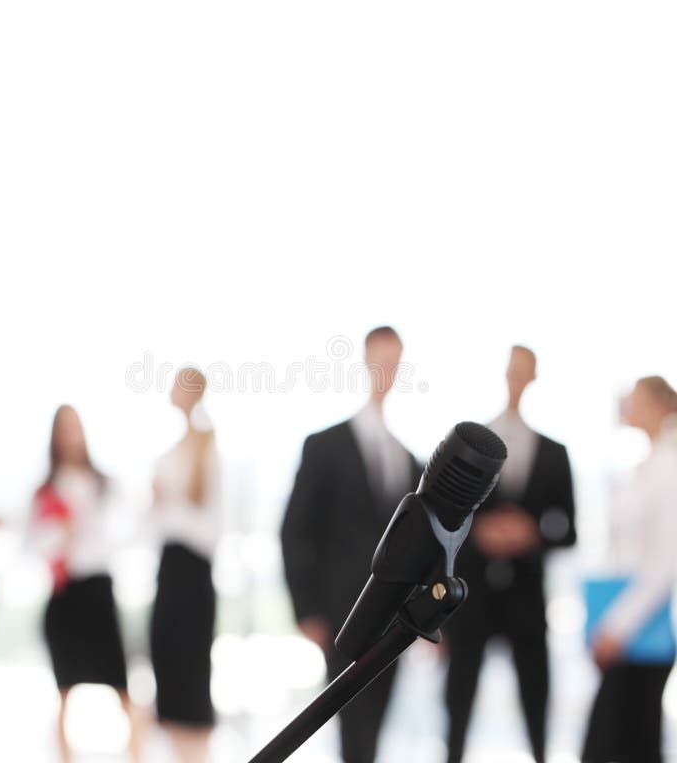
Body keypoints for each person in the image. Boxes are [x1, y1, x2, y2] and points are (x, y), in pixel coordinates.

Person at [281, 326, 422, 763]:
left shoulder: (409, 459)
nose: (386, 371)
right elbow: (293, 530)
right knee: (352, 727)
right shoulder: (324, 446)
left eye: (394, 362)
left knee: (376, 725)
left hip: (393, 619)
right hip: (341, 615)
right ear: (365, 360)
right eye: (379, 359)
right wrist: (306, 610)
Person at [443, 345, 576, 763]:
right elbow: (447, 514)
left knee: (536, 698)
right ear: (504, 373)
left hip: (526, 600)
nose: (517, 378)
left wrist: (530, 533)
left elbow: (569, 529)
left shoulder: (554, 452)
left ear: (533, 377)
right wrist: (480, 530)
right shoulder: (473, 444)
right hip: (473, 597)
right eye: (512, 370)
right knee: (458, 700)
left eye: (526, 371)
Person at [31, 404, 140, 763]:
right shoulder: (45, 491)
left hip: (98, 591)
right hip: (65, 595)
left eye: (74, 428)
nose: (70, 436)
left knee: (122, 687)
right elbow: (35, 544)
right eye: (63, 429)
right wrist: (62, 533)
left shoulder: (105, 485)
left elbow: (124, 533)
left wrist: (82, 529)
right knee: (64, 691)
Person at [581, 376, 677, 763]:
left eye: (634, 398)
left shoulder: (669, 467)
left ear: (658, 406)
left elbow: (664, 562)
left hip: (640, 634)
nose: (626, 405)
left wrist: (617, 628)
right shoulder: (646, 464)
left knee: (617, 746)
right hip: (628, 630)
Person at [149, 367, 221, 763]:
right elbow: (153, 526)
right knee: (170, 686)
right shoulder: (171, 452)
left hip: (193, 579)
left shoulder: (208, 450)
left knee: (192, 687)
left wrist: (170, 505)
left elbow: (212, 531)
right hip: (168, 576)